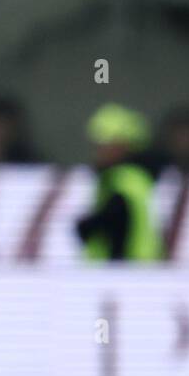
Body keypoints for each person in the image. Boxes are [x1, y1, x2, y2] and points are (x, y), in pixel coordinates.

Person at [74, 103, 161, 262]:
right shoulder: (138, 178)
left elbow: (116, 222)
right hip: (139, 270)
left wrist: (87, 226)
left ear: (123, 146)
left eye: (103, 146)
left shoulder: (123, 180)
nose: (98, 152)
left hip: (124, 272)